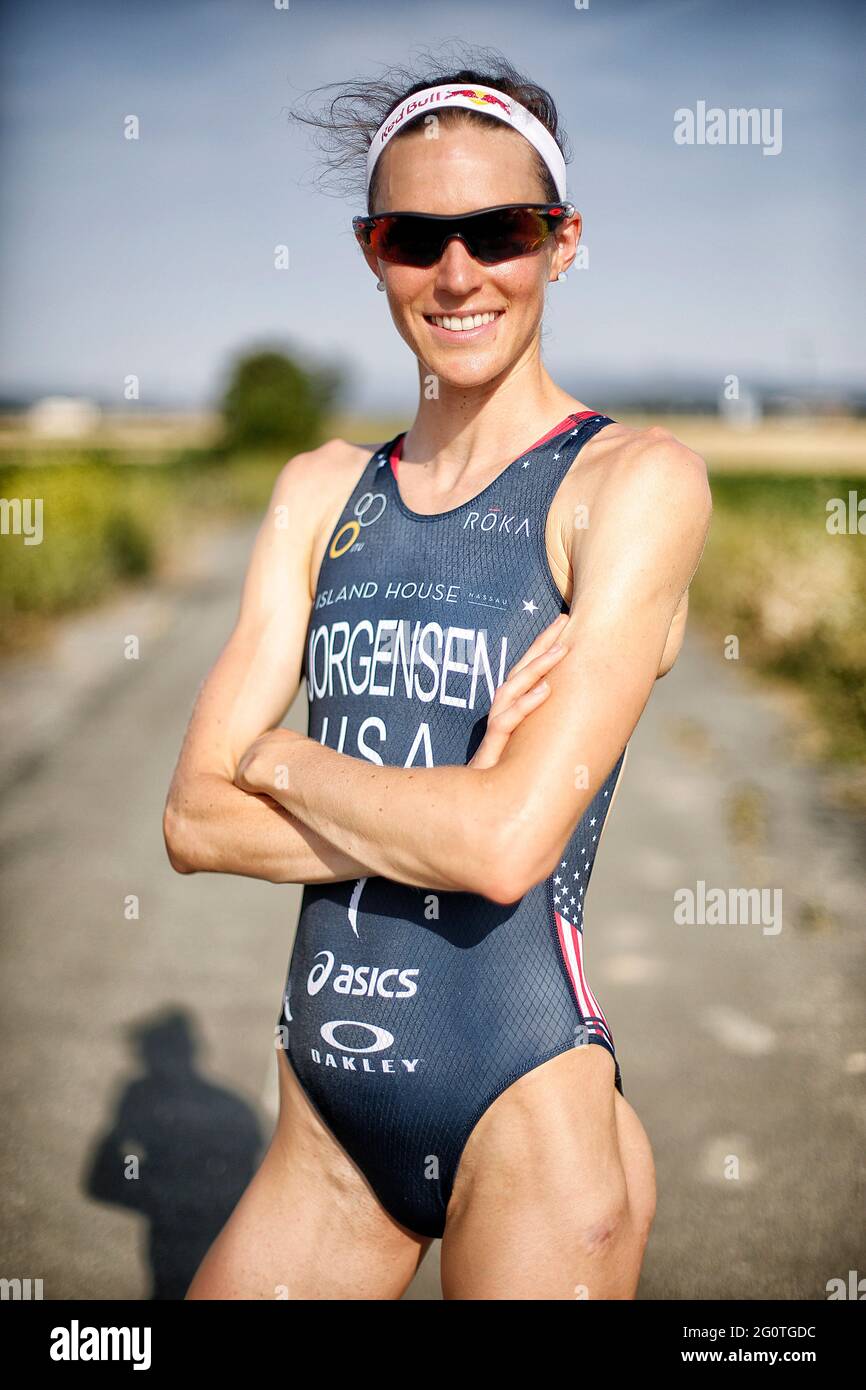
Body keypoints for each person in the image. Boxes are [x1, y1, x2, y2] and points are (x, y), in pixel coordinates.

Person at [164, 54, 712, 1300]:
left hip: (527, 1117)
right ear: (372, 253)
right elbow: (190, 820)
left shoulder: (628, 485)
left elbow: (505, 845)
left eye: (499, 232)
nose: (457, 274)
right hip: (323, 1139)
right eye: (417, 237)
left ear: (561, 242)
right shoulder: (317, 491)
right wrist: (438, 806)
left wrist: (283, 760)